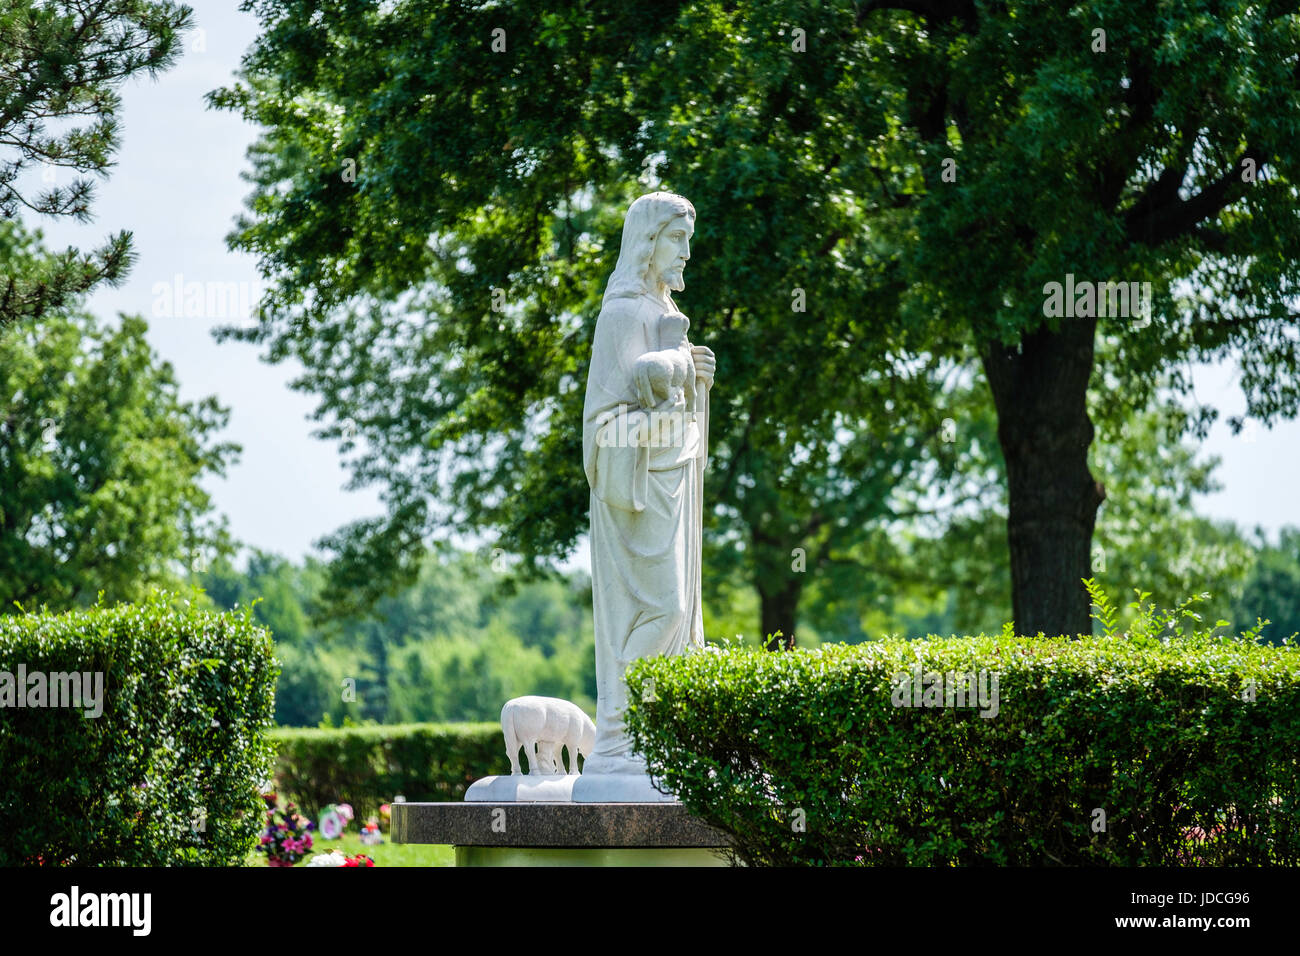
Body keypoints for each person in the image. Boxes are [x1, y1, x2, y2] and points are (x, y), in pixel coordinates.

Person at [580, 192, 716, 774]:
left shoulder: (664, 318)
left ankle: (657, 734)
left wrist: (696, 377)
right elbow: (603, 429)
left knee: (681, 614)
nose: (686, 252)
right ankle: (620, 735)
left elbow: (672, 405)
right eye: (675, 239)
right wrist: (676, 373)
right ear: (647, 242)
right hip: (636, 493)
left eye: (688, 240)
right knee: (662, 608)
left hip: (672, 483)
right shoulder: (621, 316)